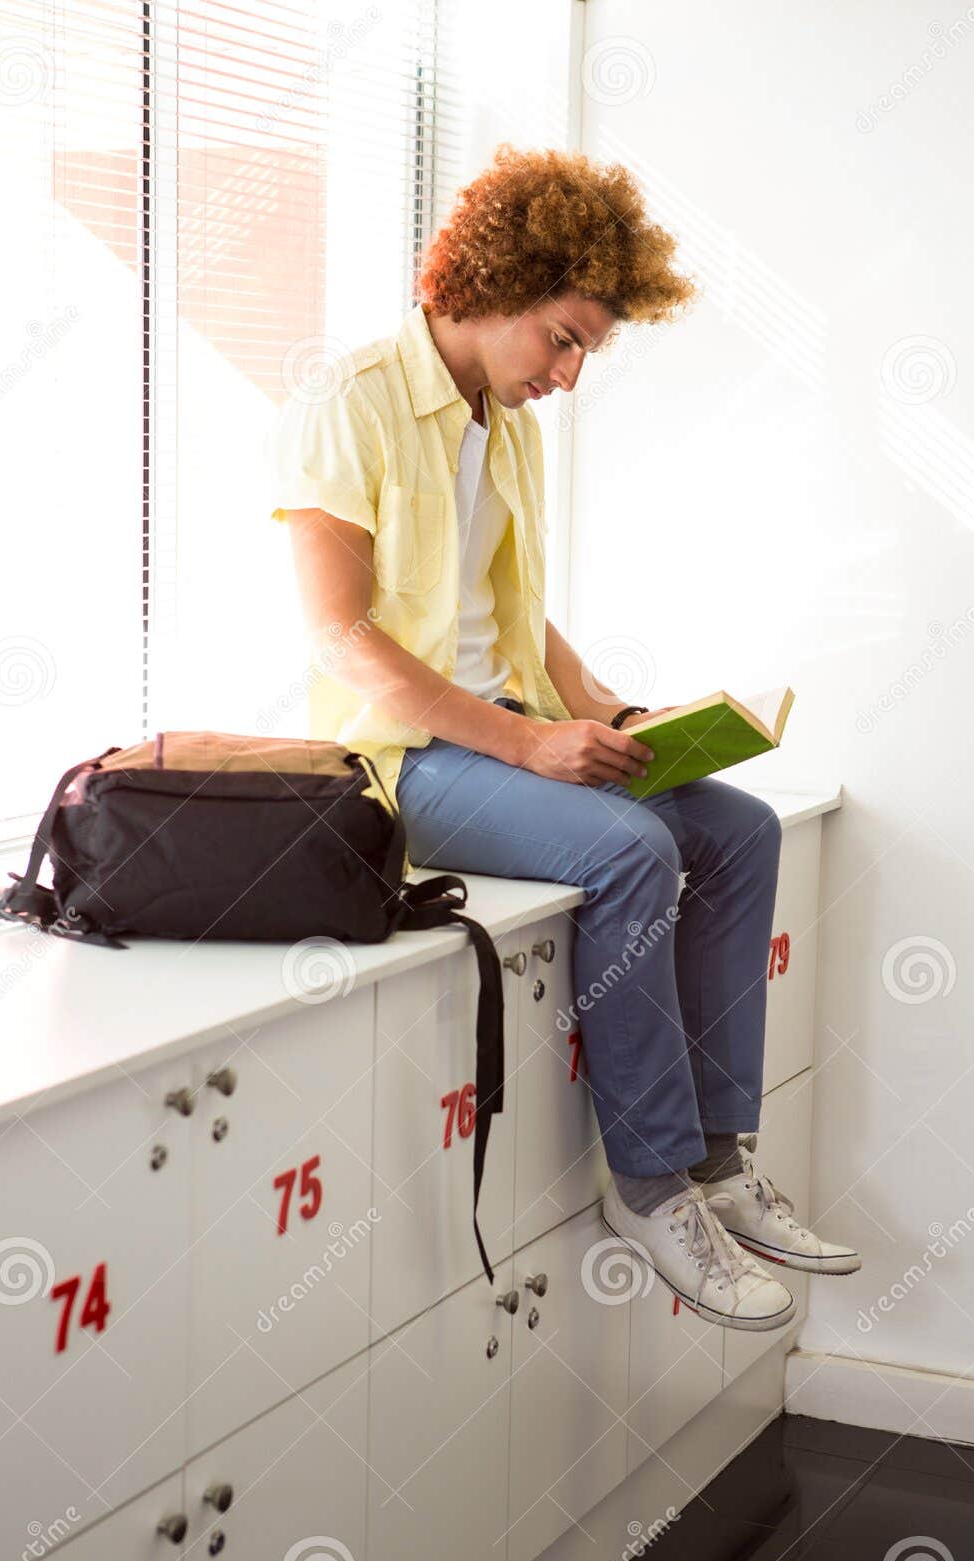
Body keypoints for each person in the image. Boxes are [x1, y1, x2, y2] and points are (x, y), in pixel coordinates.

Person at [269, 144, 860, 1332]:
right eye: (564, 337)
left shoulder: (508, 424)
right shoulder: (353, 399)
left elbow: (508, 611)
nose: (571, 372)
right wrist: (526, 747)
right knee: (631, 850)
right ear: (492, 285)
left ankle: (718, 1160)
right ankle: (649, 1185)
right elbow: (341, 636)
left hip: (511, 737)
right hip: (403, 764)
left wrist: (601, 710)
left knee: (735, 830)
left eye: (588, 346)